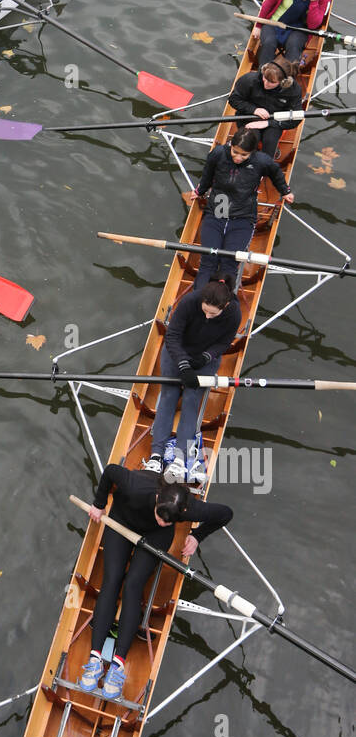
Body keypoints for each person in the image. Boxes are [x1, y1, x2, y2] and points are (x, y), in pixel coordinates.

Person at [79, 470, 233, 700]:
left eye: (168, 520)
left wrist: (198, 535)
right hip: (122, 519)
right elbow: (110, 470)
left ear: (182, 513)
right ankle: (95, 659)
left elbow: (225, 514)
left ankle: (118, 665)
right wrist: (99, 504)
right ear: (158, 497)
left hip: (155, 536)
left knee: (133, 585)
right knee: (111, 580)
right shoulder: (136, 486)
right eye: (160, 515)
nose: (162, 520)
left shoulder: (189, 508)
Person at [145, 278, 242, 484]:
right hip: (175, 353)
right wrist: (183, 365)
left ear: (225, 306)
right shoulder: (190, 301)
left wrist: (205, 358)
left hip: (205, 359)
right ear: (202, 300)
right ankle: (156, 456)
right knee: (169, 395)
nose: (208, 316)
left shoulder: (234, 313)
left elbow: (224, 343)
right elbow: (171, 336)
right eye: (205, 310)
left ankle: (180, 459)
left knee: (191, 400)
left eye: (213, 314)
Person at [190, 128, 293, 290]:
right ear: (231, 145)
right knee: (209, 261)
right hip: (217, 210)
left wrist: (285, 191)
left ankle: (222, 303)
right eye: (235, 152)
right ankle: (198, 301)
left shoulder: (262, 161)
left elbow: (276, 174)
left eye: (244, 155)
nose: (238, 158)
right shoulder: (218, 154)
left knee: (228, 263)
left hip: (243, 217)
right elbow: (207, 174)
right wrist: (199, 191)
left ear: (252, 152)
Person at [254, 0, 331, 67]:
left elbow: (313, 25)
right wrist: (258, 26)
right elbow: (268, 3)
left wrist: (314, 2)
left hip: (299, 30)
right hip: (274, 22)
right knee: (268, 43)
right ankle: (262, 75)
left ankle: (288, 80)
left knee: (294, 47)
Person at [229, 58, 303, 157]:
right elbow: (233, 99)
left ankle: (265, 166)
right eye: (265, 78)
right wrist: (254, 109)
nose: (266, 84)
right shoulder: (249, 80)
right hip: (248, 118)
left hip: (274, 120)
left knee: (270, 142)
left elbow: (295, 119)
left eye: (271, 82)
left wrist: (268, 123)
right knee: (249, 141)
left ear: (283, 82)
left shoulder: (293, 90)